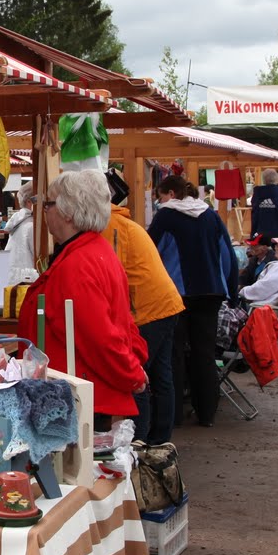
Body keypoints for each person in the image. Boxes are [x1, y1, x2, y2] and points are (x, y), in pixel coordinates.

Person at [17, 171, 146, 427]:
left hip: (79, 401)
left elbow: (97, 337)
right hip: (79, 394)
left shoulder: (77, 264)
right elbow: (119, 325)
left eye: (48, 204)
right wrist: (133, 367)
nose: (43, 211)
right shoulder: (93, 251)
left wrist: (132, 373)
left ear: (67, 211)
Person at [148, 175, 238, 428]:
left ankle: (173, 415)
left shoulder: (165, 216)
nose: (159, 201)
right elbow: (227, 255)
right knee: (205, 354)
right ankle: (207, 413)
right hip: (211, 292)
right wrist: (231, 291)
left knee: (173, 354)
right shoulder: (211, 215)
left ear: (170, 194)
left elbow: (151, 251)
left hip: (177, 294)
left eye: (160, 196)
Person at [105, 188, 184, 444]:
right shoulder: (121, 222)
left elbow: (112, 276)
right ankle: (159, 440)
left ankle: (139, 443)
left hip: (149, 309)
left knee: (137, 375)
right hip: (164, 303)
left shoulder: (111, 225)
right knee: (161, 375)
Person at [249, 168, 278, 239]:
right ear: (277, 180)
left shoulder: (256, 196)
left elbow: (254, 213)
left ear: (263, 180)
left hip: (259, 234)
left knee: (260, 250)